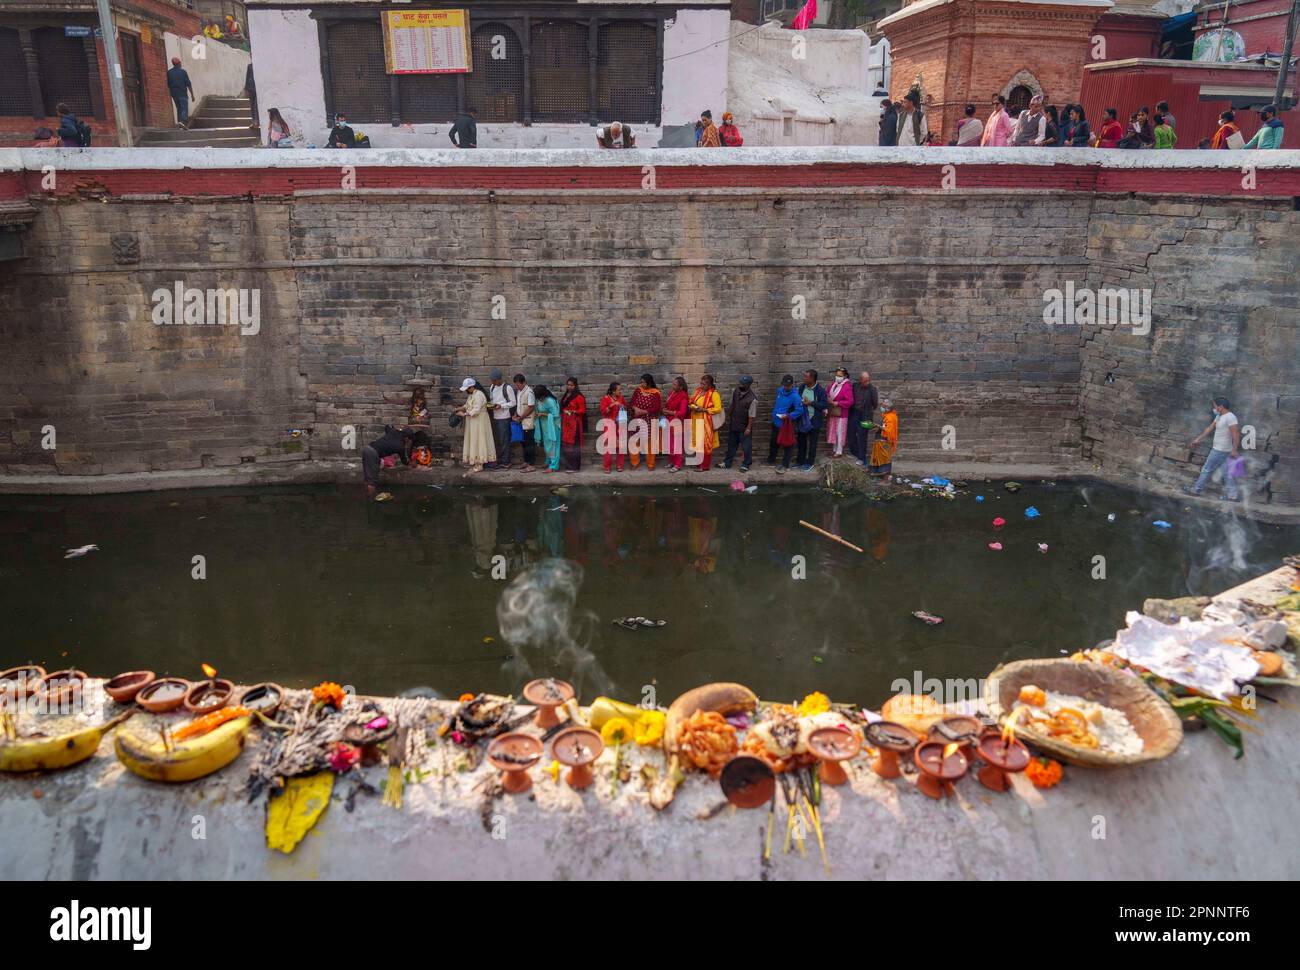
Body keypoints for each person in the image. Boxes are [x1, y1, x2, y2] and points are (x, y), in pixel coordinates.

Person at [1185, 397, 1241, 501]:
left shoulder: (1230, 417)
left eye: (1215, 406)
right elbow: (1210, 428)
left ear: (1221, 407)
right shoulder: (1220, 416)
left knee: (1206, 469)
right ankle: (1232, 495)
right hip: (1222, 449)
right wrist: (1198, 439)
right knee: (1226, 472)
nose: (1214, 408)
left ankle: (1196, 489)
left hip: (1220, 449)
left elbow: (1236, 434)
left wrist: (1234, 450)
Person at [362, 425, 414, 499]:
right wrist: (412, 464)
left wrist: (395, 428)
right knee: (372, 481)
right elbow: (404, 462)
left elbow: (387, 426)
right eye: (409, 440)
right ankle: (372, 501)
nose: (408, 442)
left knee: (368, 478)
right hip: (373, 453)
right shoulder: (400, 447)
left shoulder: (393, 432)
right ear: (406, 438)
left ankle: (368, 496)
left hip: (367, 449)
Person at [456, 378, 495, 472]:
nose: (466, 391)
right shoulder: (472, 395)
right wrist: (459, 408)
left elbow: (476, 410)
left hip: (480, 421)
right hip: (473, 422)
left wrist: (464, 414)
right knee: (474, 440)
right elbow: (467, 405)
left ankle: (480, 463)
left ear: (471, 387)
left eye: (467, 389)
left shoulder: (479, 395)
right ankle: (476, 461)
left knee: (479, 440)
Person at [687, 374, 722, 471]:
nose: (702, 386)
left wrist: (704, 410)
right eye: (701, 383)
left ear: (710, 385)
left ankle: (704, 466)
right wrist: (692, 406)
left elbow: (718, 408)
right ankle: (699, 463)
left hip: (706, 422)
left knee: (705, 444)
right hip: (696, 421)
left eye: (704, 384)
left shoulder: (714, 394)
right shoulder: (698, 391)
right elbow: (691, 401)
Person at [722, 375, 757, 471]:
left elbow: (751, 415)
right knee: (731, 445)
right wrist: (727, 417)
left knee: (746, 447)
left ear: (748, 385)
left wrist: (748, 428)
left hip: (744, 426)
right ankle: (727, 462)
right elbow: (732, 405)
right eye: (740, 383)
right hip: (734, 423)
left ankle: (746, 464)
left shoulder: (752, 399)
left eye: (743, 384)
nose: (740, 385)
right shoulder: (736, 391)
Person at [796, 369, 829, 471]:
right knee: (801, 442)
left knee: (813, 443)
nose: (804, 378)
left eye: (806, 377)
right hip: (803, 420)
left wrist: (811, 403)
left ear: (812, 378)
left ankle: (810, 463)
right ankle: (800, 461)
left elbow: (824, 404)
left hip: (814, 421)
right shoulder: (802, 387)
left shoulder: (820, 391)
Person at [768, 375, 801, 473]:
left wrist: (788, 415)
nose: (786, 387)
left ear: (792, 385)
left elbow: (799, 410)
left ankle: (785, 464)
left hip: (786, 423)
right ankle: (771, 459)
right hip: (776, 421)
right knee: (773, 441)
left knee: (787, 443)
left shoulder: (795, 397)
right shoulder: (780, 391)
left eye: (788, 386)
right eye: (785, 385)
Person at [628, 374, 662, 470]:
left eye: (643, 382)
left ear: (649, 383)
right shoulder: (638, 390)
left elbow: (657, 408)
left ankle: (650, 463)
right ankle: (634, 462)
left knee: (650, 442)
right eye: (641, 381)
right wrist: (635, 408)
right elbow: (632, 402)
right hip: (637, 419)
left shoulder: (655, 393)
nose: (641, 384)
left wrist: (644, 411)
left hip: (649, 420)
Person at [486, 369, 516, 469]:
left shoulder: (507, 388)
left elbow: (513, 402)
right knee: (498, 440)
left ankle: (506, 462)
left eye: (494, 381)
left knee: (504, 440)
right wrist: (491, 405)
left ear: (499, 379)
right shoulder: (492, 387)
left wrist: (501, 406)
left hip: (504, 417)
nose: (493, 382)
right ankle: (501, 459)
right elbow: (492, 399)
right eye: (492, 381)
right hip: (495, 416)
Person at [847, 370, 879, 463]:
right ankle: (855, 453)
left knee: (862, 437)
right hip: (854, 413)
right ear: (860, 380)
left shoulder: (872, 389)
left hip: (865, 415)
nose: (867, 383)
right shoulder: (855, 386)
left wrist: (867, 411)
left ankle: (862, 458)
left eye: (868, 380)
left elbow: (875, 404)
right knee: (851, 434)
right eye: (865, 381)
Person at [599, 381, 627, 473]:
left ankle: (620, 465)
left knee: (620, 445)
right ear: (613, 391)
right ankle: (607, 466)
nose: (620, 391)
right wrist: (612, 405)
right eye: (618, 390)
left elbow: (625, 408)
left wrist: (622, 406)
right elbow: (603, 411)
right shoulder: (606, 399)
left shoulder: (621, 398)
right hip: (609, 424)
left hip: (620, 425)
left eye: (620, 389)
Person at [825, 367, 853, 457]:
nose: (838, 377)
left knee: (840, 431)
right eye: (837, 375)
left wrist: (838, 403)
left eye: (840, 376)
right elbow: (828, 393)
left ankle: (839, 451)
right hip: (833, 411)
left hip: (842, 413)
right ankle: (834, 449)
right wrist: (828, 398)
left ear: (845, 376)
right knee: (833, 430)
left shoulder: (846, 386)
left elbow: (850, 401)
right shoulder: (833, 384)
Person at [664, 376, 690, 473]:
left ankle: (678, 464)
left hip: (677, 423)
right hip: (669, 421)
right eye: (673, 384)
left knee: (677, 445)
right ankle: (672, 462)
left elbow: (682, 412)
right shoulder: (672, 393)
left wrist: (669, 412)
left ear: (681, 387)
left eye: (675, 384)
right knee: (670, 444)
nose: (673, 386)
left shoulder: (683, 396)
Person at [560, 377, 587, 471]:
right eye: (568, 385)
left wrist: (573, 411)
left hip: (575, 424)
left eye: (571, 385)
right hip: (566, 424)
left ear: (575, 386)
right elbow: (562, 407)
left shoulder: (579, 396)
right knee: (567, 445)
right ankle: (568, 466)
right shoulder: (566, 395)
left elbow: (583, 410)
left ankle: (575, 467)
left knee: (575, 446)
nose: (569, 387)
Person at [533, 385, 562, 472]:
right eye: (537, 398)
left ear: (544, 395)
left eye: (540, 397)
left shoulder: (550, 401)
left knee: (553, 445)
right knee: (547, 444)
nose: (539, 399)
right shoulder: (538, 400)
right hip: (545, 425)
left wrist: (543, 414)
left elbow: (556, 414)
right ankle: (548, 461)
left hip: (553, 426)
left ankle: (553, 466)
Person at [869, 399, 898, 482]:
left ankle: (886, 479)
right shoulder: (885, 415)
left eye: (883, 406)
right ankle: (876, 473)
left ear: (887, 408)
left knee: (885, 458)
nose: (881, 407)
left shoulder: (891, 417)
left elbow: (888, 430)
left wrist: (878, 426)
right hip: (880, 439)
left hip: (885, 441)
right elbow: (883, 426)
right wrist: (875, 426)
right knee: (877, 457)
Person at [512, 373, 537, 470]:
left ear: (524, 383)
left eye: (518, 385)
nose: (517, 386)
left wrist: (521, 417)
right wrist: (516, 414)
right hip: (521, 420)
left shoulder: (529, 392)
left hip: (528, 422)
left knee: (529, 444)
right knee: (524, 443)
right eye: (516, 385)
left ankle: (532, 464)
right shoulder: (519, 391)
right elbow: (520, 405)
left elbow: (531, 408)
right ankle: (526, 461)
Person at [167, 56, 195, 129]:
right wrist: (192, 95)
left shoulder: (169, 72)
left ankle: (180, 126)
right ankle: (182, 122)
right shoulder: (183, 72)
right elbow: (188, 84)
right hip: (182, 94)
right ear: (179, 64)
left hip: (174, 94)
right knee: (184, 109)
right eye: (180, 62)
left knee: (178, 109)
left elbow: (168, 84)